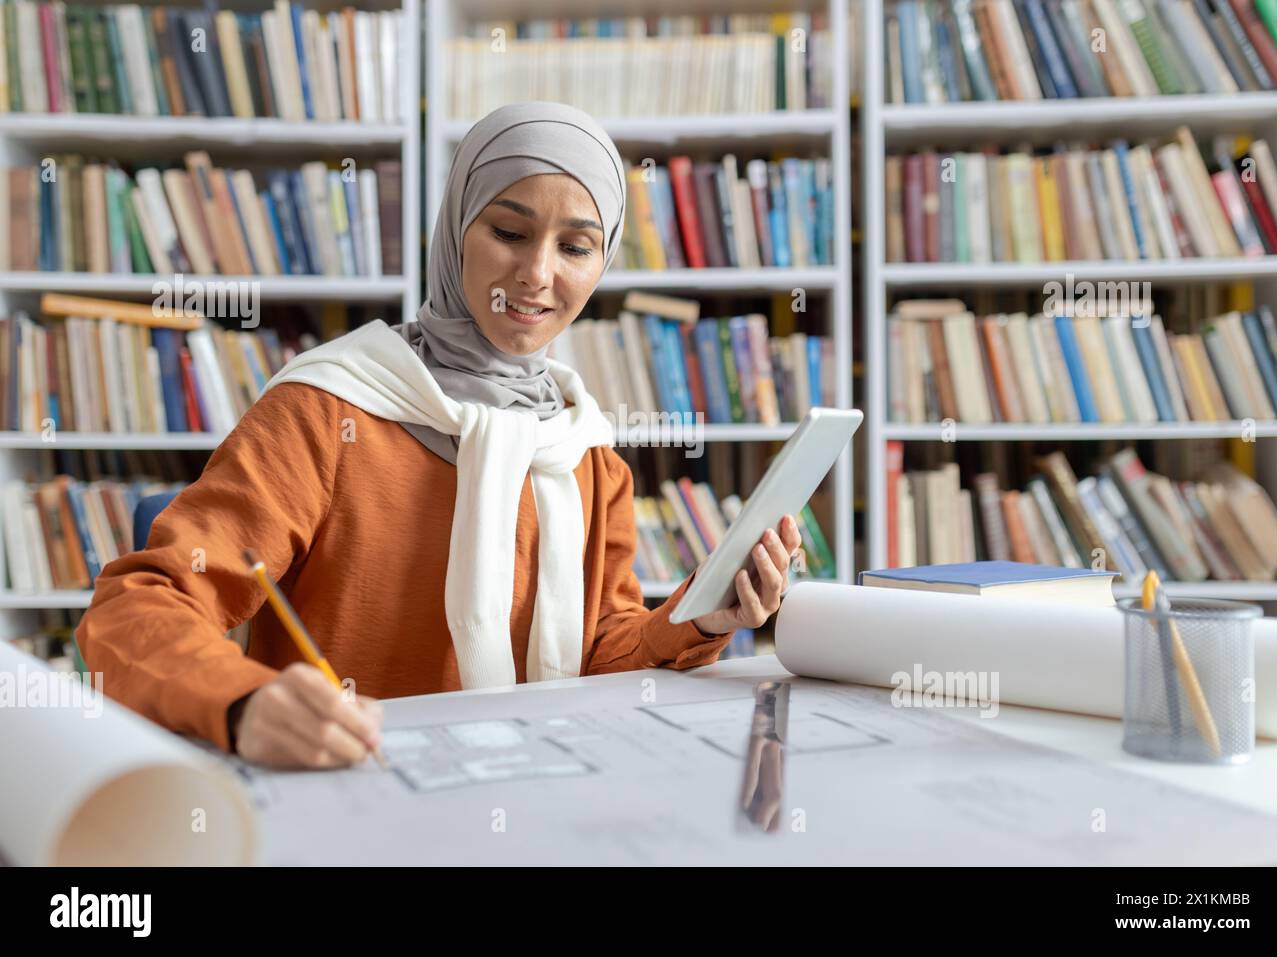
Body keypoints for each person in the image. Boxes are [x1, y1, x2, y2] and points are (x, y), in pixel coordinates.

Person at [77, 101, 802, 770]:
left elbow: (597, 656)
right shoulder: (329, 409)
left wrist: (701, 617)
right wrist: (242, 702)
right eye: (509, 232)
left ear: (602, 262)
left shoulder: (586, 451)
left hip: (535, 792)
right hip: (354, 793)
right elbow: (133, 609)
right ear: (456, 227)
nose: (536, 274)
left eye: (575, 247)